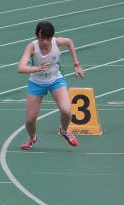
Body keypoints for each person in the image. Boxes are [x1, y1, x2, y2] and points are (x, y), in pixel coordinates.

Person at [17, 21, 84, 150]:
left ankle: (64, 131)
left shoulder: (57, 42)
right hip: (36, 82)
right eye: (42, 38)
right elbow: (21, 68)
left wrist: (76, 64)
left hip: (56, 80)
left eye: (48, 38)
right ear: (37, 36)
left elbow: (70, 42)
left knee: (66, 110)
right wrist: (36, 68)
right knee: (30, 120)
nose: (45, 41)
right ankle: (32, 138)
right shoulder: (32, 47)